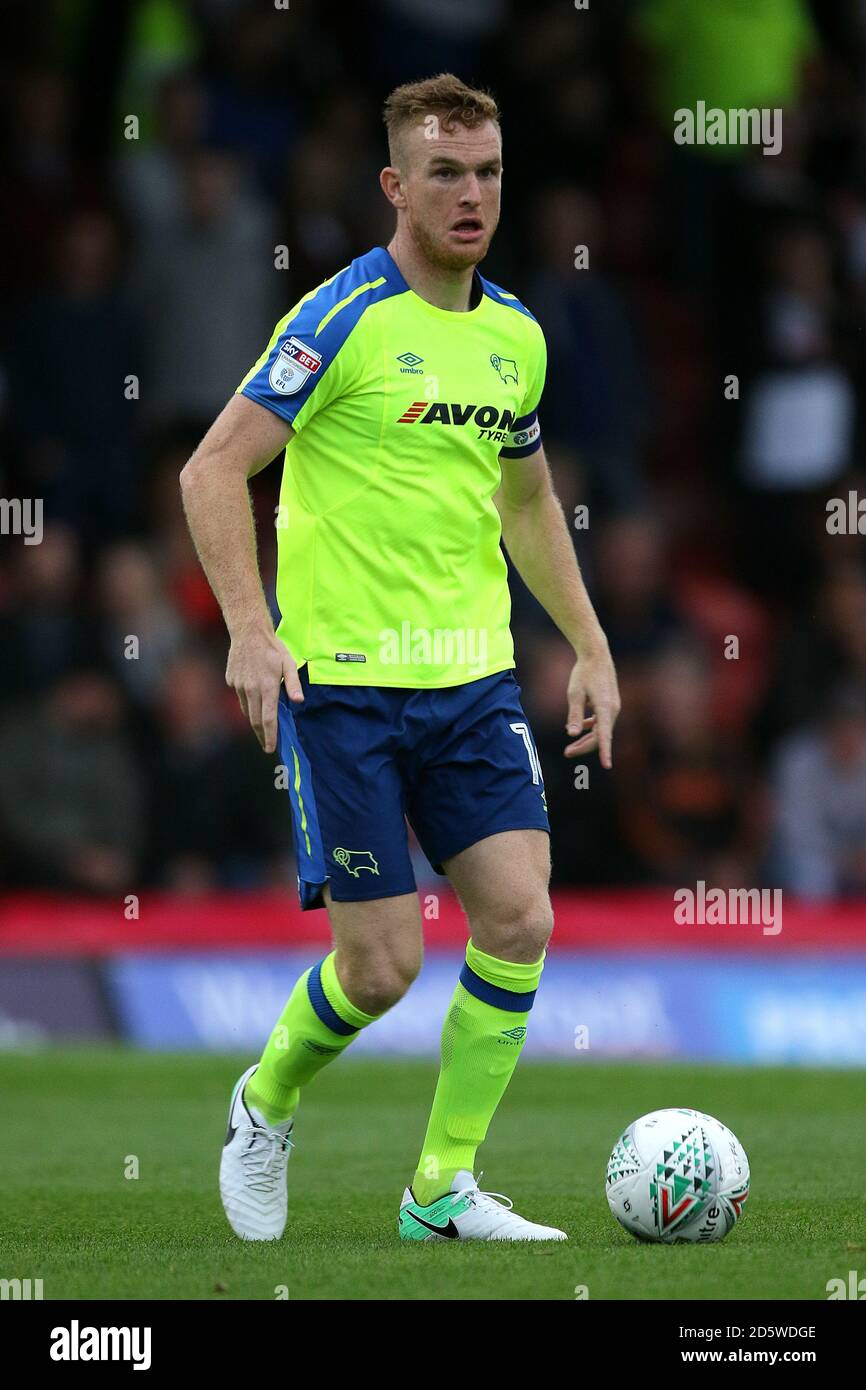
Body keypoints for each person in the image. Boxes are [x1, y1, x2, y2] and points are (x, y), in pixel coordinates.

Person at [180, 73, 620, 1243]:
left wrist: (587, 644)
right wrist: (248, 629)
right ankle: (263, 1103)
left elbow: (526, 505)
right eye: (443, 173)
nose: (469, 195)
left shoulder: (516, 339)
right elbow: (211, 469)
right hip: (347, 689)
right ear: (394, 186)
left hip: (471, 684)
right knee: (379, 971)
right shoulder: (340, 319)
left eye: (484, 173)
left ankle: (438, 1191)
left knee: (518, 921)